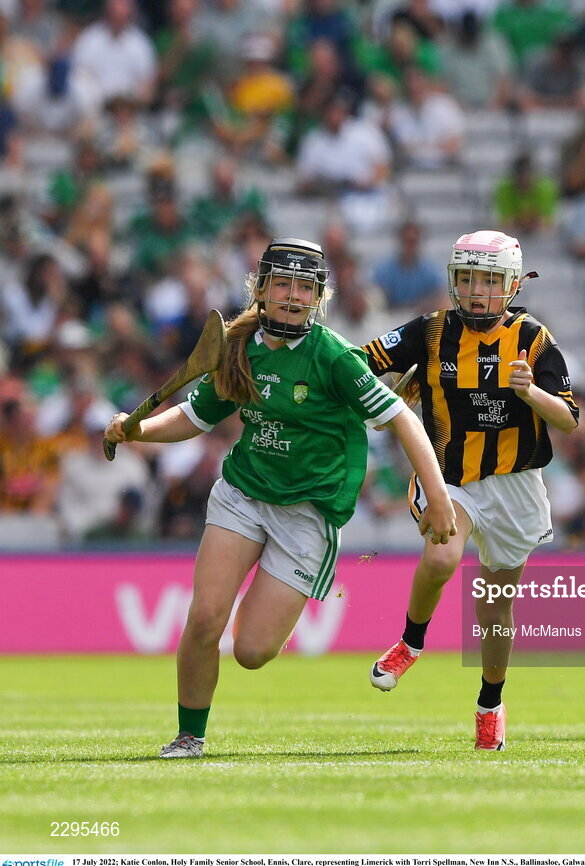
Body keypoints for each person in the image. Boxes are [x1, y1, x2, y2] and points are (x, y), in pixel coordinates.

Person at [103, 238, 457, 759]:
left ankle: (265, 616)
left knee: (251, 651)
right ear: (262, 289)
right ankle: (188, 736)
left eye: (304, 288)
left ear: (318, 297)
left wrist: (438, 495)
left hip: (309, 513)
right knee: (205, 618)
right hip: (243, 493)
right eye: (283, 284)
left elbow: (404, 418)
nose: (293, 296)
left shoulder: (334, 357)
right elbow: (194, 418)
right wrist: (139, 430)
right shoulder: (238, 348)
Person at [361, 230, 579, 750]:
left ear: (512, 285)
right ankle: (411, 642)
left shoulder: (534, 338)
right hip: (450, 478)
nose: (477, 291)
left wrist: (531, 393)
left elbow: (569, 419)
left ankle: (490, 705)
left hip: (516, 486)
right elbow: (360, 360)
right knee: (441, 558)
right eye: (467, 279)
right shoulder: (431, 330)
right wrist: (373, 396)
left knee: (494, 610)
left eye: (489, 281)